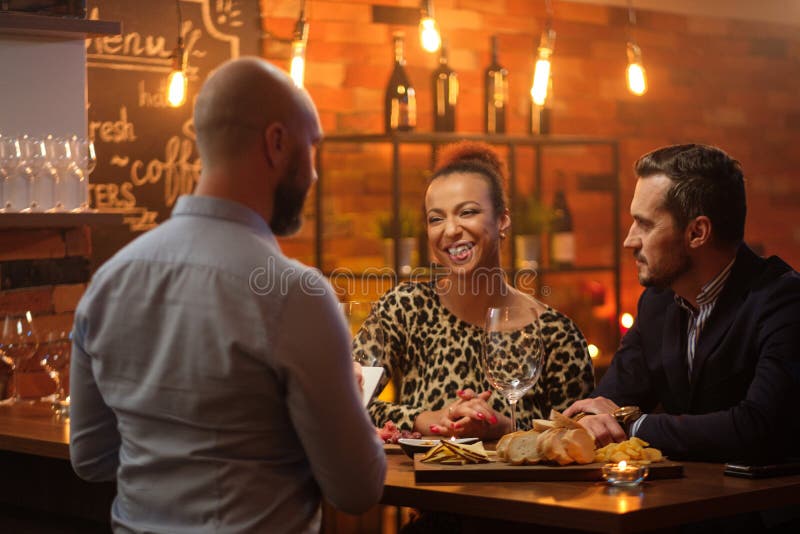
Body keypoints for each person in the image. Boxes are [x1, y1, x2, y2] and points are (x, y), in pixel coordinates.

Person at [69, 57, 386, 533]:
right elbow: (357, 489)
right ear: (277, 143)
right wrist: (343, 395)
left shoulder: (110, 280)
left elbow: (91, 457)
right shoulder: (296, 293)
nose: (315, 174)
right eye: (312, 147)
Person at [564, 143, 800, 464]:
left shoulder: (784, 299)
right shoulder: (656, 302)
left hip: (760, 509)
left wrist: (633, 425)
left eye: (645, 224)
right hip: (677, 503)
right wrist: (589, 419)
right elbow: (604, 403)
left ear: (697, 232)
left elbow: (757, 427)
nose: (629, 240)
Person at [356, 141, 594, 440]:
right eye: (436, 218)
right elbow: (344, 401)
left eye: (467, 212)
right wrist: (421, 419)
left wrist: (506, 428)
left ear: (502, 220)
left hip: (523, 489)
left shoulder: (557, 335)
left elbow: (578, 438)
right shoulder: (405, 307)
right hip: (419, 487)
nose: (451, 229)